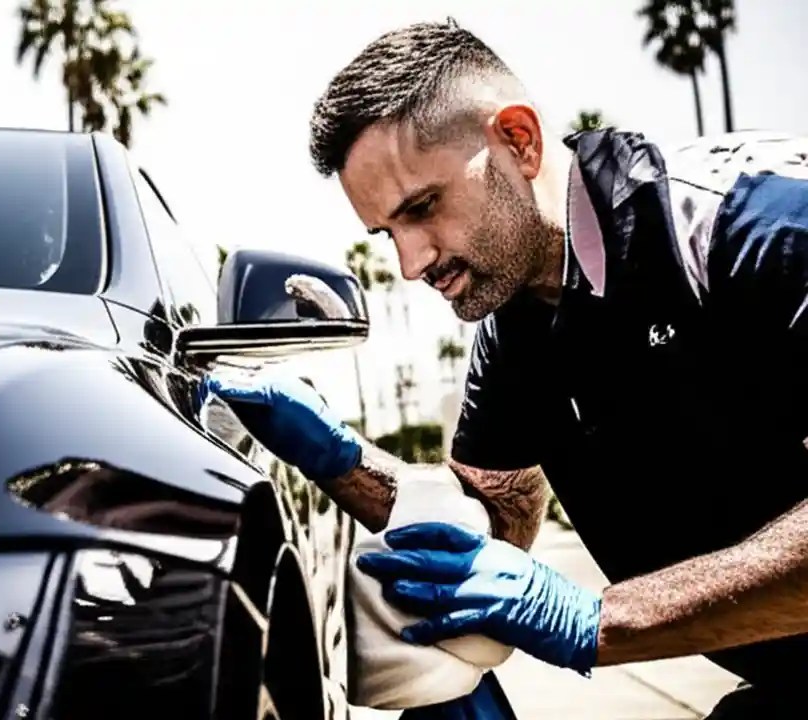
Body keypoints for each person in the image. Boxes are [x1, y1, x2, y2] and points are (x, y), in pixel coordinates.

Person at [201, 18, 808, 719]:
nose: (410, 263)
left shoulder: (754, 224)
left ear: (517, 140)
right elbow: (490, 522)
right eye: (387, 234)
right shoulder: (518, 326)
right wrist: (333, 454)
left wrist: (595, 618)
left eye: (422, 208)